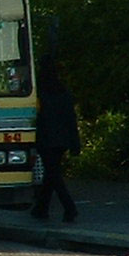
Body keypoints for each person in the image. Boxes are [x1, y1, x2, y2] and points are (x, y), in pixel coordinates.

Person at [30, 55, 81, 221]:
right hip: (62, 139)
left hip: (46, 139)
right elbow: (71, 119)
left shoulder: (40, 93)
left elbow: (37, 117)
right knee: (51, 174)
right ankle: (41, 208)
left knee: (53, 175)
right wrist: (74, 142)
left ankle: (70, 208)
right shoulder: (63, 92)